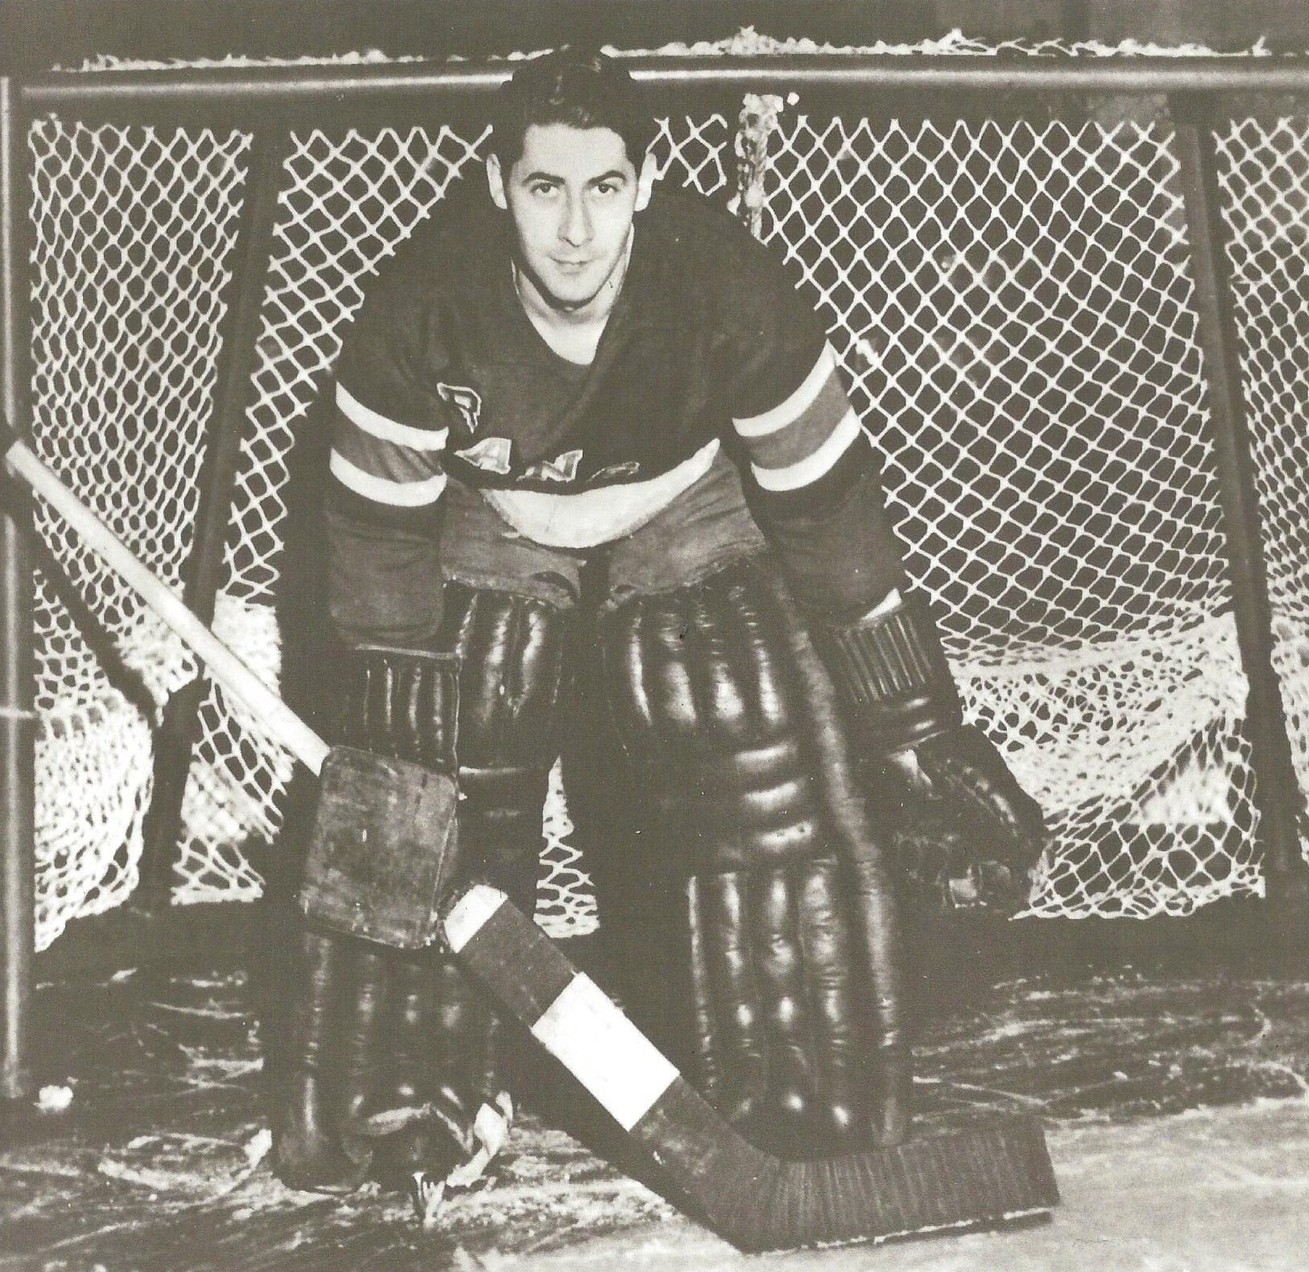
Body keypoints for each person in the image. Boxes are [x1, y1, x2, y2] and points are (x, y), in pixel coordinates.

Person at [272, 46, 1047, 1205]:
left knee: (737, 706)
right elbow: (378, 555)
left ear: (643, 183)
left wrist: (912, 718)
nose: (575, 231)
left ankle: (799, 1095)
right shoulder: (418, 311)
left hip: (680, 501)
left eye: (601, 188)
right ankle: (411, 1093)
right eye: (545, 189)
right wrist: (397, 748)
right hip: (497, 517)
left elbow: (826, 505)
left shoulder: (725, 285)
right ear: (498, 187)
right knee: (456, 736)